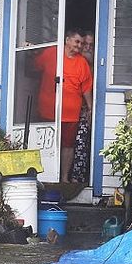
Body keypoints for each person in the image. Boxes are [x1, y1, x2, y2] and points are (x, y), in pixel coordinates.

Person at [33, 29, 93, 182]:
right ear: (67, 40)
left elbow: (86, 88)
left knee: (68, 145)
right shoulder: (51, 53)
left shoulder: (82, 62)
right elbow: (33, 68)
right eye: (77, 41)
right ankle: (44, 176)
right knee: (46, 142)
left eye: (81, 43)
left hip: (70, 114)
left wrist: (90, 108)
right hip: (48, 110)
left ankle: (64, 177)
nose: (79, 46)